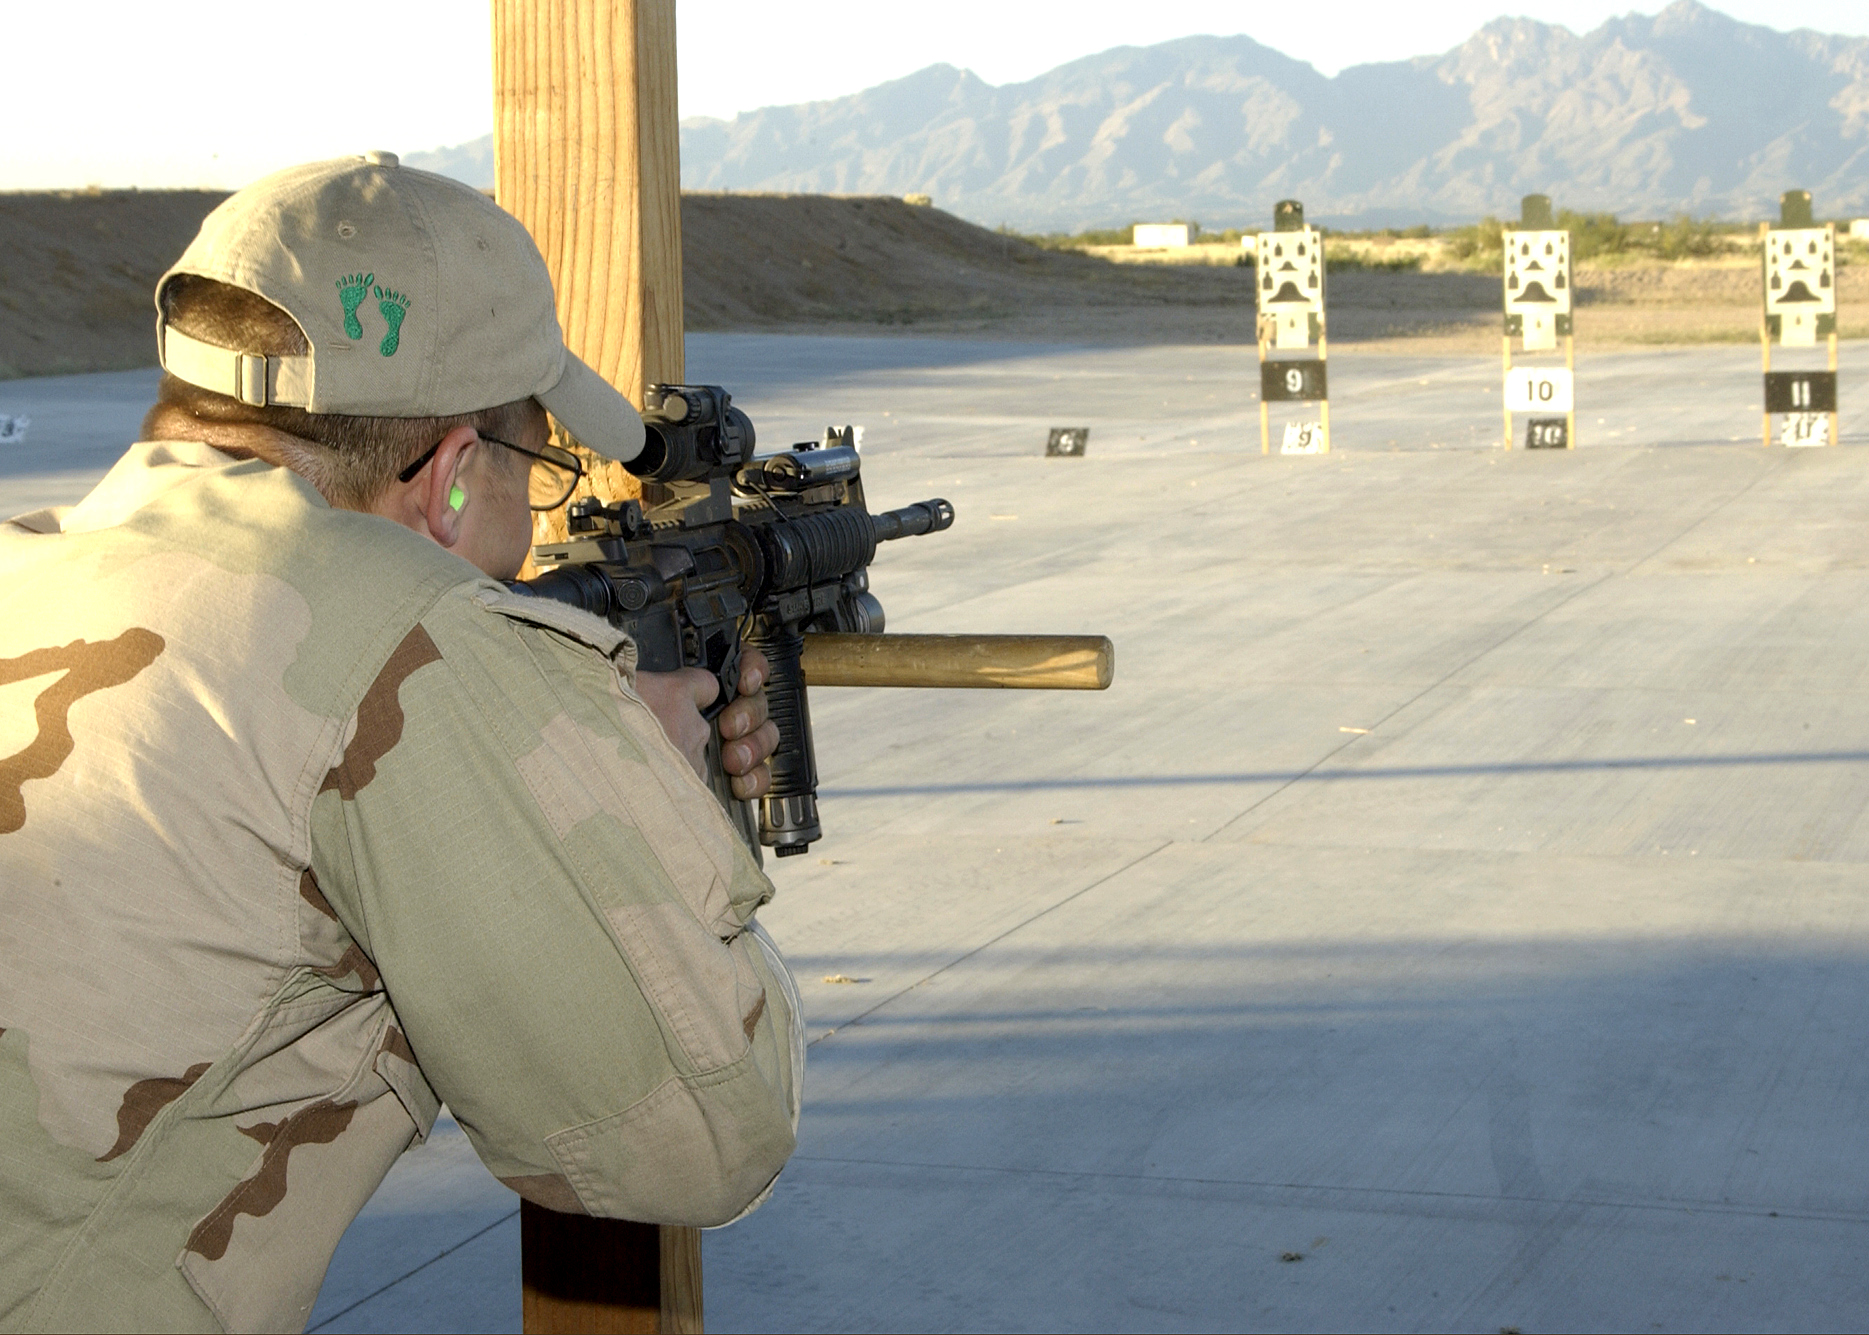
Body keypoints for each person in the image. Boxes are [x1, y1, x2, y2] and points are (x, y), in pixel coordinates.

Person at [0, 153, 803, 1332]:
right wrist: (623, 785)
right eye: (538, 464)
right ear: (454, 473)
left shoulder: (34, 559)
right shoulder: (410, 641)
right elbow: (701, 1139)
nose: (535, 522)